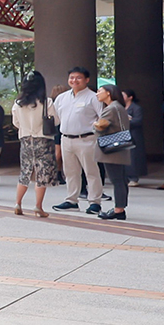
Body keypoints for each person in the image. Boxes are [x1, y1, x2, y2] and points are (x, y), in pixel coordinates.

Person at [51, 68, 103, 215]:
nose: (74, 80)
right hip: (66, 139)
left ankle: (95, 202)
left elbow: (103, 118)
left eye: (78, 78)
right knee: (70, 172)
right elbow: (55, 118)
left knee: (91, 172)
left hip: (87, 139)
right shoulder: (62, 98)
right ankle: (72, 200)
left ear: (86, 80)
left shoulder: (93, 97)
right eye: (71, 77)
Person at [9, 71, 59, 219]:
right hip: (43, 140)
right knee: (41, 174)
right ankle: (38, 206)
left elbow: (15, 123)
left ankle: (18, 203)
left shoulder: (18, 103)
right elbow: (55, 120)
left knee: (25, 172)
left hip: (26, 140)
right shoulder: (46, 101)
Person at [94, 85, 133, 220]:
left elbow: (101, 128)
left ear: (108, 93)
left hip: (111, 148)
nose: (97, 94)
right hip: (119, 147)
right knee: (121, 179)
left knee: (117, 179)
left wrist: (96, 126)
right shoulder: (118, 107)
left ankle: (118, 209)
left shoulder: (111, 108)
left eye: (100, 91)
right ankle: (120, 207)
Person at [122, 89, 147, 184]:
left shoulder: (136, 108)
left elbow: (138, 121)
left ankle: (133, 178)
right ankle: (125, 177)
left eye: (123, 95)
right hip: (123, 135)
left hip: (134, 135)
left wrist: (126, 121)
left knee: (133, 157)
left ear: (130, 97)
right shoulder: (121, 107)